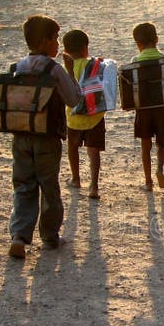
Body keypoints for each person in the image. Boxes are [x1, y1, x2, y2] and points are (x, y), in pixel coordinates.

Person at [8, 14, 81, 259]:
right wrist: (71, 73)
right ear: (43, 41)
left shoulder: (17, 67)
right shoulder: (54, 69)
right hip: (48, 138)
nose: (58, 44)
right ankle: (50, 237)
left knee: (24, 185)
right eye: (55, 38)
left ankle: (19, 235)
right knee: (49, 186)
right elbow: (72, 99)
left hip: (21, 135)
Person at [130, 22, 164, 191]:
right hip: (163, 106)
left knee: (145, 145)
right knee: (161, 143)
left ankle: (148, 182)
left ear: (138, 44)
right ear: (156, 40)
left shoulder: (135, 62)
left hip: (143, 109)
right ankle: (160, 169)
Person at [62, 29, 106, 200]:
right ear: (86, 47)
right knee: (94, 151)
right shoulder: (94, 65)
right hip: (94, 115)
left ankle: (76, 178)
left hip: (73, 117)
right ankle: (94, 186)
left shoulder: (67, 68)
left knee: (72, 147)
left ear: (65, 51)